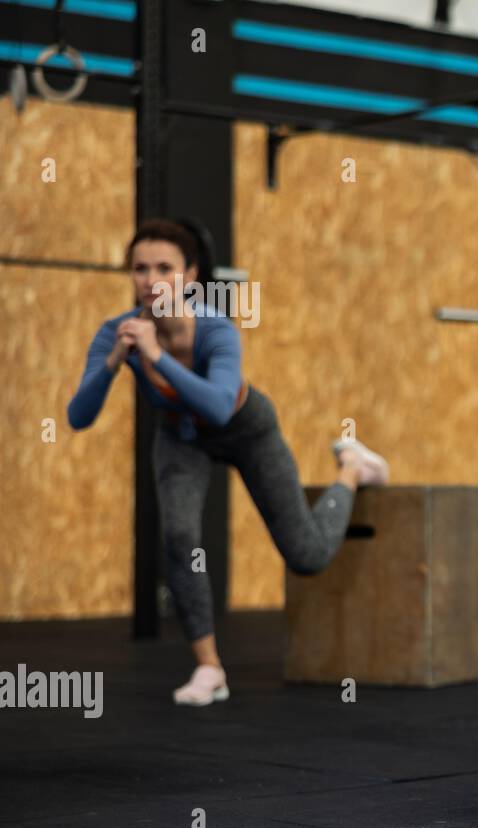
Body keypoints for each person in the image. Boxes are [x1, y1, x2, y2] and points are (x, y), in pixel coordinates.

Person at [67, 219, 390, 705]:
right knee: (178, 535)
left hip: (247, 429)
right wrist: (114, 362)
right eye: (140, 268)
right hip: (181, 438)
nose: (151, 279)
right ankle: (209, 668)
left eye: (164, 268)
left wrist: (156, 356)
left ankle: (351, 466)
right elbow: (78, 416)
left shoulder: (216, 328)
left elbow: (218, 406)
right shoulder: (117, 333)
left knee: (307, 555)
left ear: (190, 276)